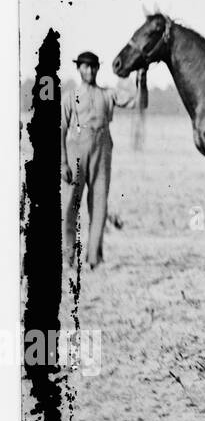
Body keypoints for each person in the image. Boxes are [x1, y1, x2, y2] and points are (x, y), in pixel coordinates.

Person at [61, 49, 135, 269]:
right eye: (86, 66)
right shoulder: (70, 97)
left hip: (102, 150)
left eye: (93, 67)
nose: (90, 70)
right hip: (76, 152)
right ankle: (68, 257)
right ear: (79, 69)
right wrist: (63, 163)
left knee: (99, 204)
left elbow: (134, 100)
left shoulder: (107, 94)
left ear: (97, 69)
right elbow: (60, 129)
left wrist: (138, 77)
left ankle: (94, 257)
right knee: (69, 205)